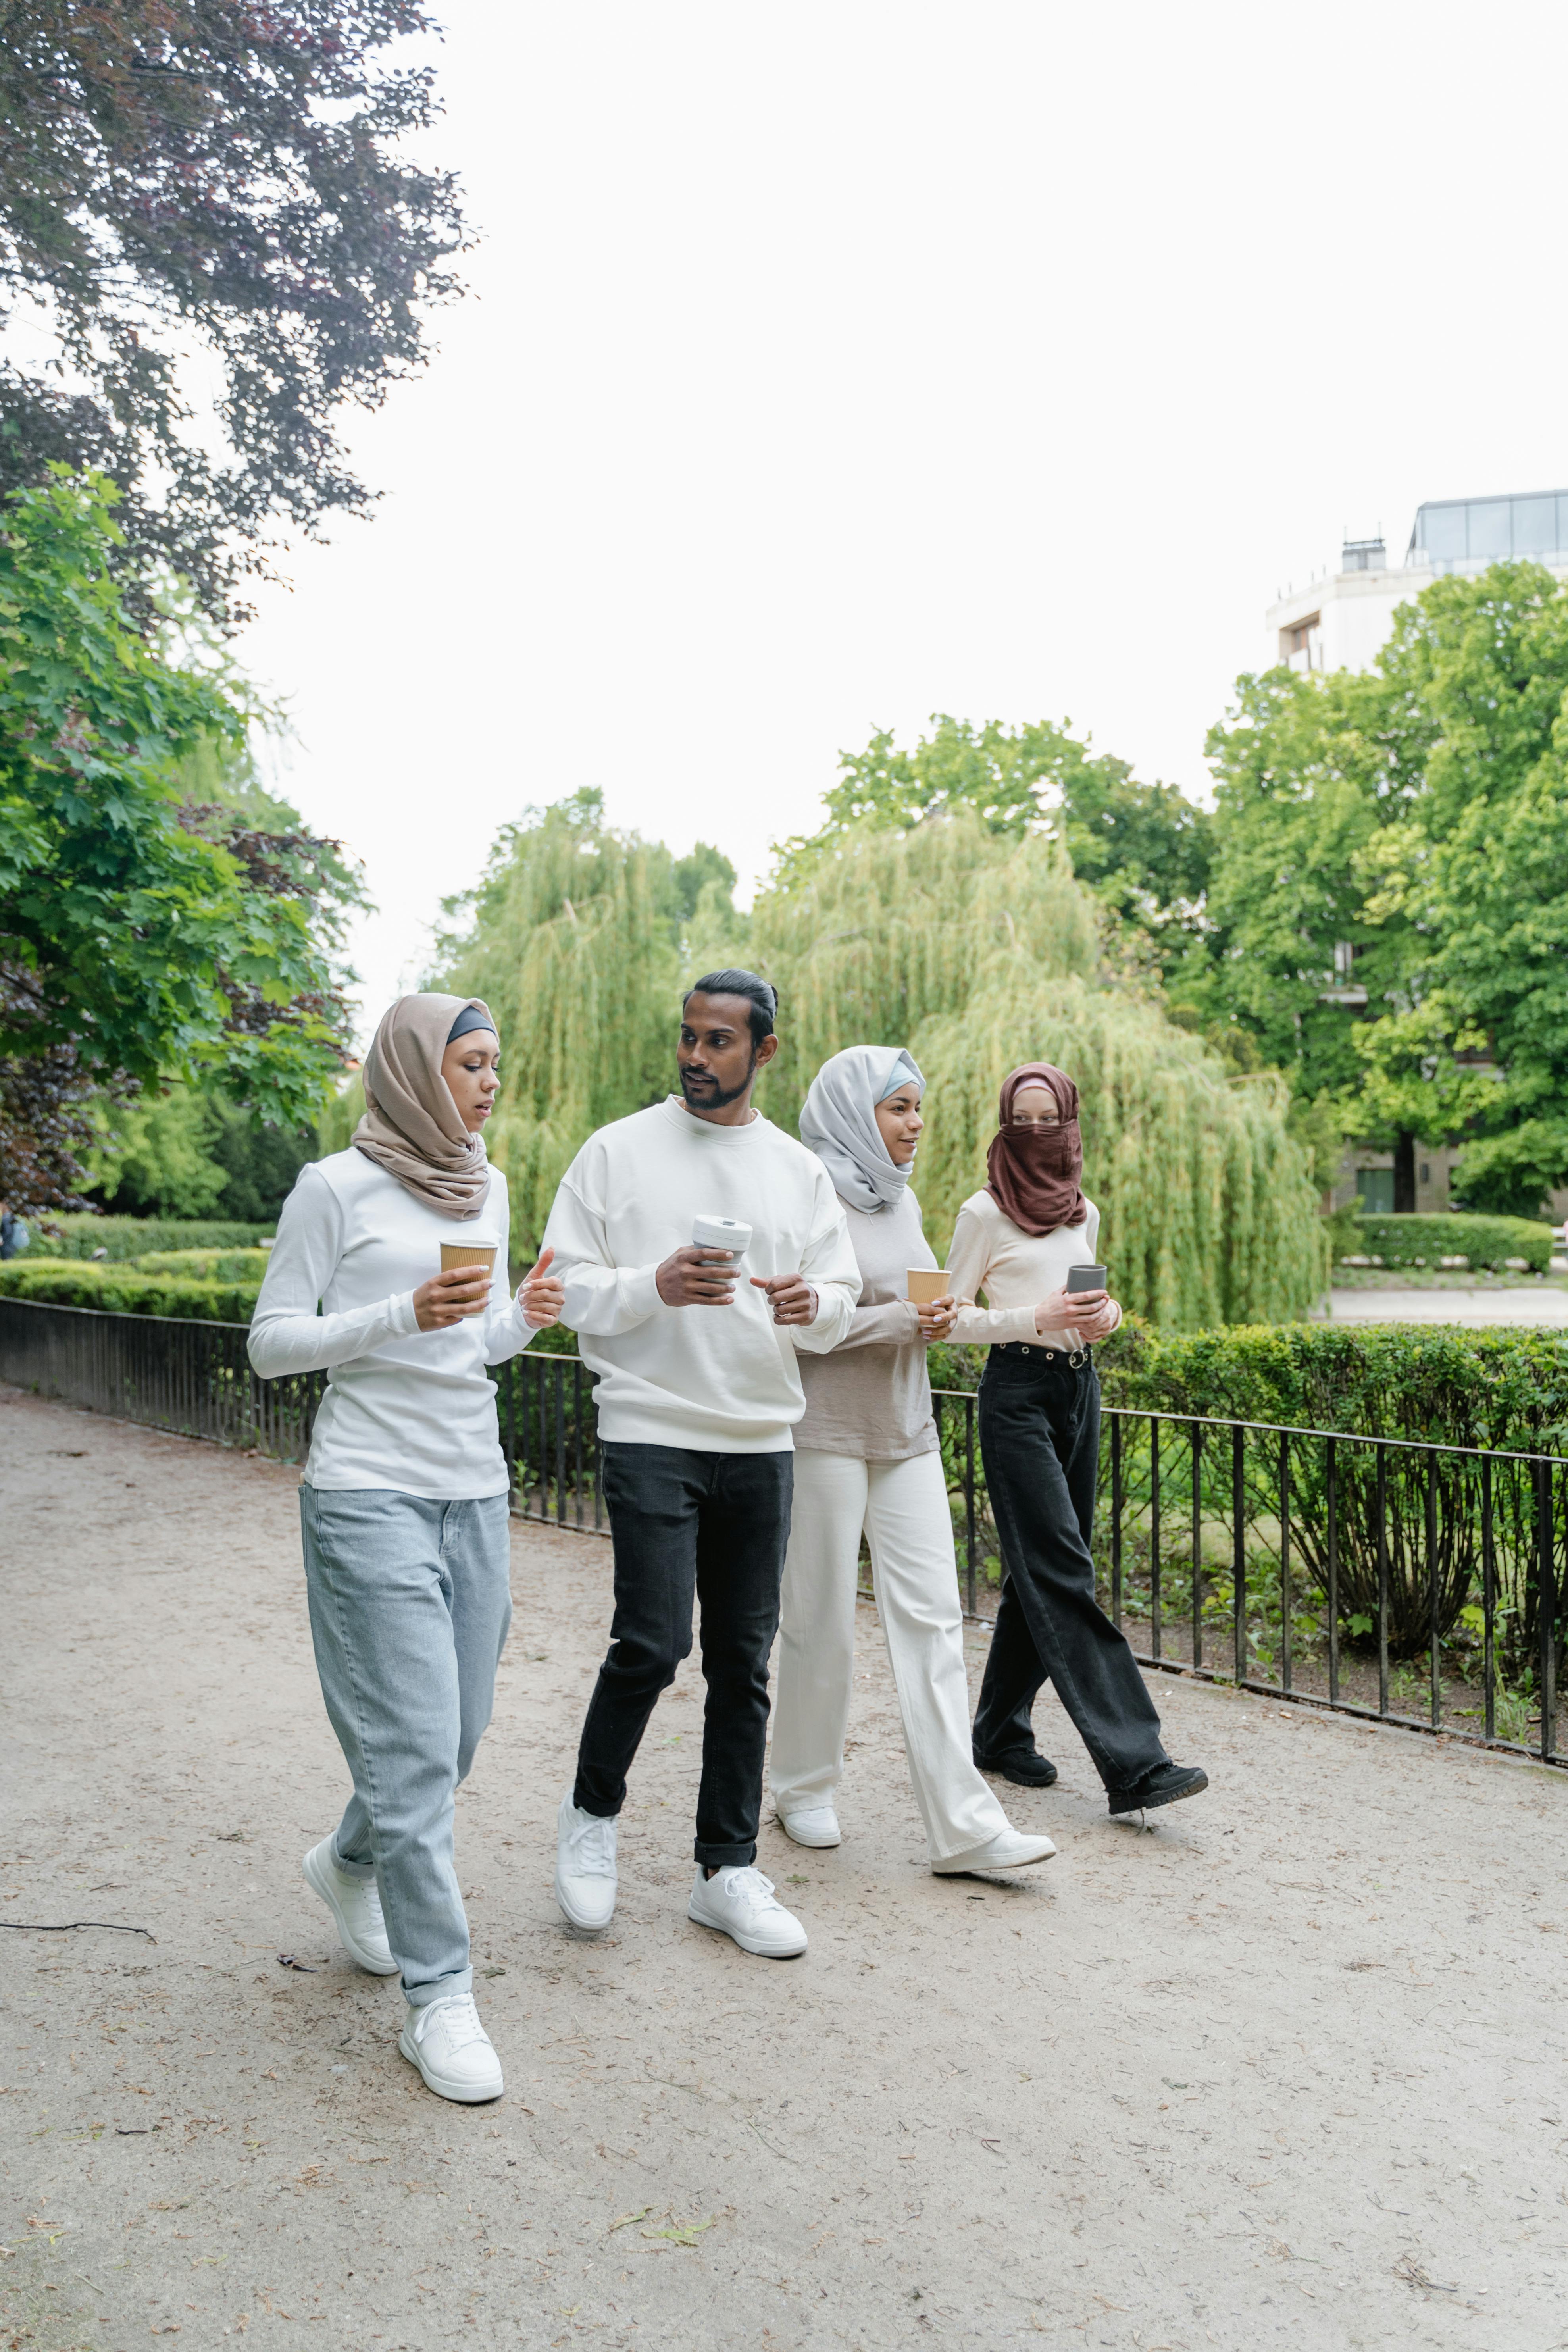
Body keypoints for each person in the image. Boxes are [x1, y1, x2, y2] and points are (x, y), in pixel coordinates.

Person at [248, 994, 565, 2103]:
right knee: (419, 1753)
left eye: (493, 1064)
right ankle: (441, 1997)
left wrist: (523, 1311)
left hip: (472, 1491)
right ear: (414, 1070)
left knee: (457, 1734)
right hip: (367, 1492)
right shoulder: (334, 1186)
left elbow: (469, 1346)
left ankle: (345, 1862)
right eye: (470, 1064)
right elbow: (271, 1343)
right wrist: (399, 1313)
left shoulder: (487, 1183)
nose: (488, 1083)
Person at [540, 971, 861, 1959]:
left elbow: (841, 1286)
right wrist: (654, 1283)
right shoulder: (615, 1150)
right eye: (687, 1035)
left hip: (760, 1437)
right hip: (648, 1426)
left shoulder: (796, 1169)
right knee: (649, 1640)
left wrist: (818, 1306)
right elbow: (559, 1286)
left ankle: (724, 1869)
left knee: (741, 1659)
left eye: (718, 1040)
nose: (694, 1055)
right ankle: (592, 1819)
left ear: (762, 1051)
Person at [769, 1045, 1056, 1875]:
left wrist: (1034, 1315)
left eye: (918, 1107)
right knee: (818, 1618)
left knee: (933, 1621)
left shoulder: (901, 1200)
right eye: (898, 1108)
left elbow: (929, 1313)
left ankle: (962, 1825)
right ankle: (802, 1782)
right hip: (819, 1430)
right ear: (854, 1113)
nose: (915, 1123)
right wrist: (897, 1320)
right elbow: (790, 1325)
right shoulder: (802, 1194)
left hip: (906, 1429)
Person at [946, 1062, 1208, 1820]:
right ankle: (1136, 1762)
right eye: (1019, 1119)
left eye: (1047, 1117)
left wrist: (1108, 1315)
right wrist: (1038, 1318)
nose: (1035, 1131)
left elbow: (1096, 1300)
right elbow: (947, 1320)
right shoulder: (981, 1213)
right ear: (1004, 1125)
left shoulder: (1083, 1210)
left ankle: (997, 1732)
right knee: (1063, 1567)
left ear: (1069, 1122)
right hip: (1017, 1391)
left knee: (1046, 1565)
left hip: (1078, 1387)